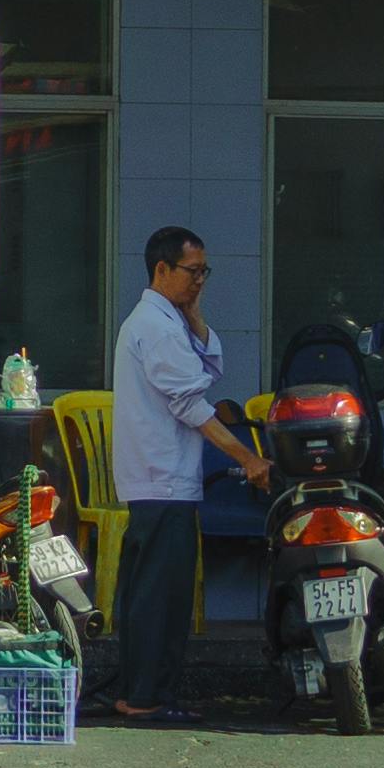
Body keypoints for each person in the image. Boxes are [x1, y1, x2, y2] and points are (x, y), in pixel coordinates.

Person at [103, 226, 266, 724]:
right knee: (162, 597)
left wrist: (192, 310)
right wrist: (247, 457)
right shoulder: (154, 326)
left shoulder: (165, 320)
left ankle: (139, 690)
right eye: (192, 273)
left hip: (159, 478)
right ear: (161, 270)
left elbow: (208, 369)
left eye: (204, 273)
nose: (200, 282)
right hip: (163, 479)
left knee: (150, 592)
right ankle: (148, 695)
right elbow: (192, 404)